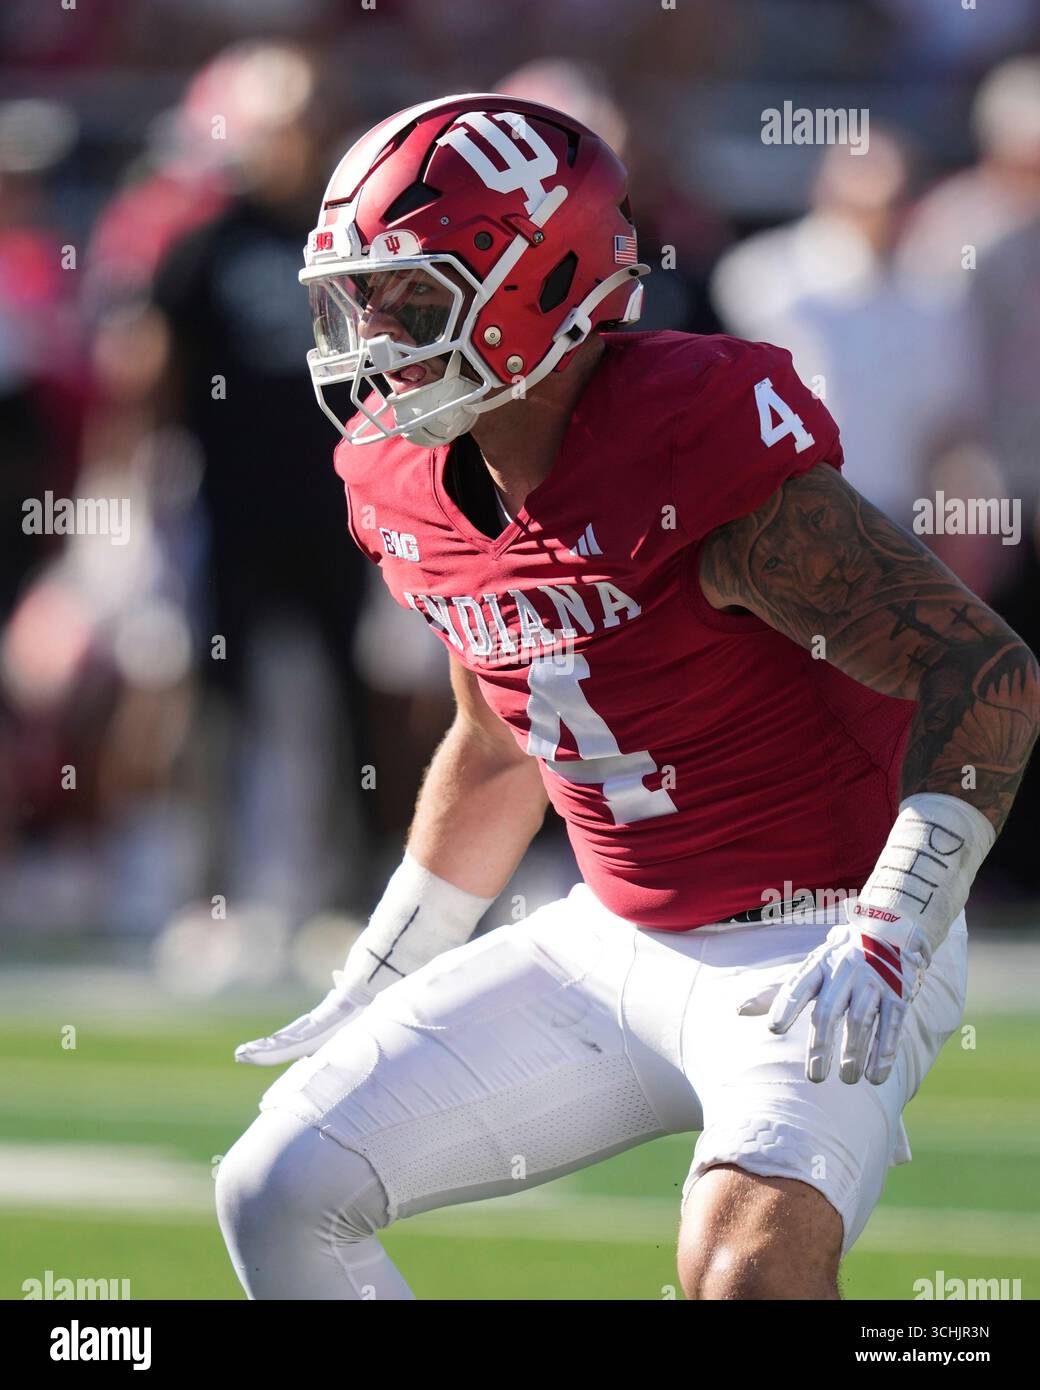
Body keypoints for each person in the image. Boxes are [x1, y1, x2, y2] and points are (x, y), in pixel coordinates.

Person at [216, 94, 1038, 1301]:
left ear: (541, 289)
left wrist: (893, 924)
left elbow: (985, 670)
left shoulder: (686, 435)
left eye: (415, 299)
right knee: (277, 1188)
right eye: (361, 296)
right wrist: (392, 957)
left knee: (742, 1278)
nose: (374, 335)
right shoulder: (405, 476)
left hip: (816, 939)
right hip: (606, 929)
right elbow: (497, 739)